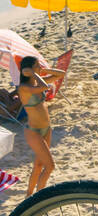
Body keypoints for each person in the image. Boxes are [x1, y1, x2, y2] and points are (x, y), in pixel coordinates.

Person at [18, 55, 64, 195]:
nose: (40, 67)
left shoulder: (38, 82)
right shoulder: (24, 87)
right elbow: (44, 86)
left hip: (46, 129)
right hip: (33, 131)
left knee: (38, 166)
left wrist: (44, 70)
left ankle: (29, 196)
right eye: (37, 65)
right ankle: (38, 199)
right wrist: (34, 74)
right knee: (50, 166)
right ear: (28, 70)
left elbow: (61, 74)